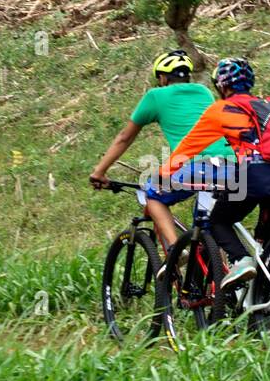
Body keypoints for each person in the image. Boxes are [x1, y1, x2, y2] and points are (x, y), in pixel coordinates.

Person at [157, 57, 270, 290]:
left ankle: (240, 260)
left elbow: (188, 148)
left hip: (252, 176)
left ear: (222, 86)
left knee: (218, 221)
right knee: (266, 245)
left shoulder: (220, 109)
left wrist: (164, 174)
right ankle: (268, 307)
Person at [89, 49, 236, 250]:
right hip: (231, 166)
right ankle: (218, 274)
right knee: (205, 236)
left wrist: (99, 172)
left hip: (196, 165)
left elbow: (125, 137)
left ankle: (176, 250)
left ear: (163, 77)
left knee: (153, 195)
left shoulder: (156, 96)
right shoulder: (204, 92)